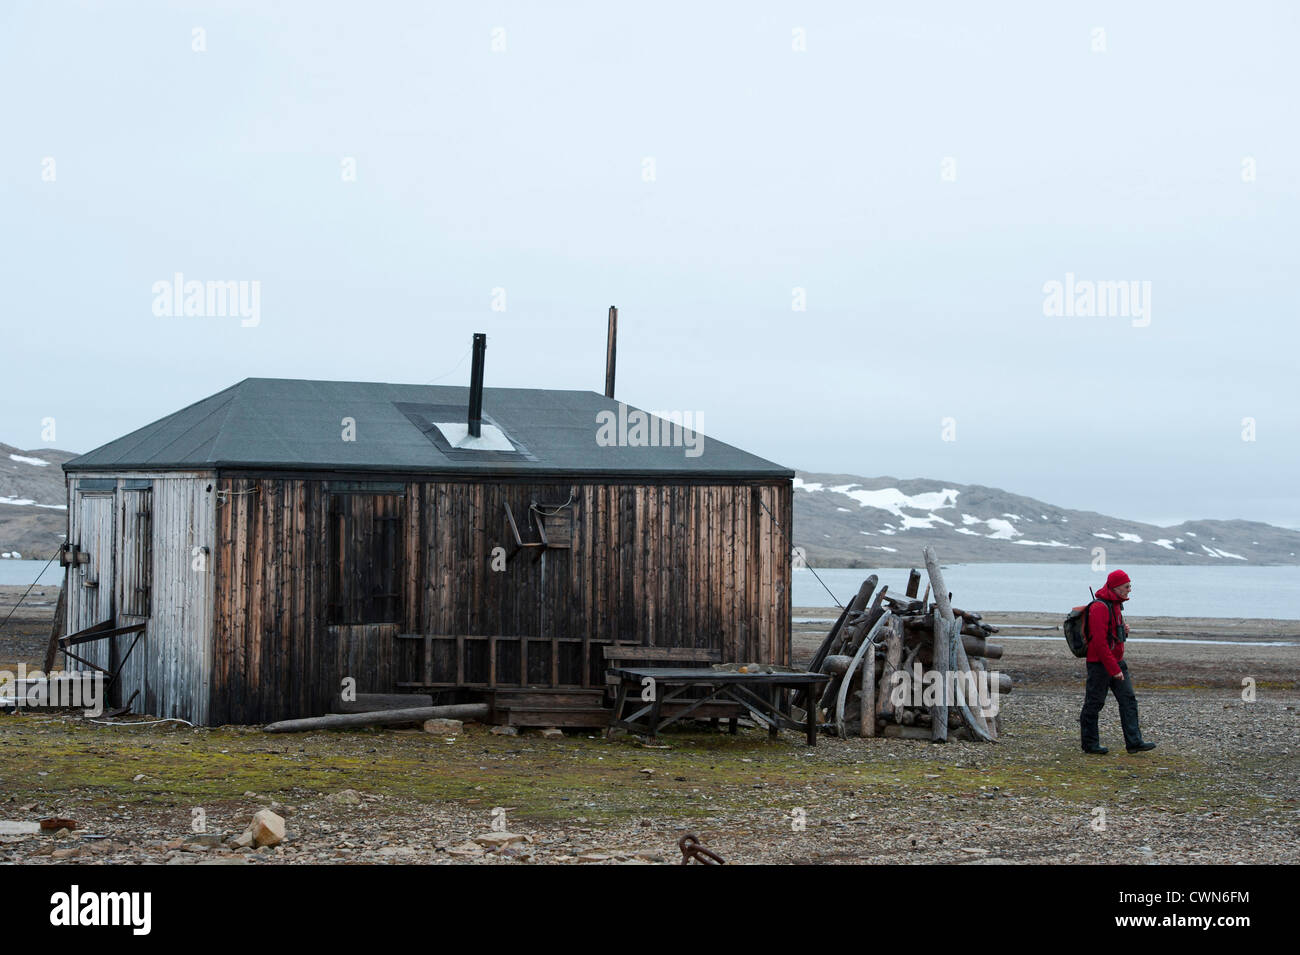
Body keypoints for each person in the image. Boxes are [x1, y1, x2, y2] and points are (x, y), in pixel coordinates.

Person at [1079, 569, 1156, 755]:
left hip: (1116, 661)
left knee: (1128, 701)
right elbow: (1098, 642)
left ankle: (1134, 742)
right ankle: (1090, 744)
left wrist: (1123, 630)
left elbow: (1110, 635)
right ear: (1116, 587)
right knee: (1094, 703)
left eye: (1129, 586)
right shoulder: (1099, 607)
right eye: (1127, 586)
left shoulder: (1116, 605)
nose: (1129, 590)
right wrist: (1113, 669)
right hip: (1100, 664)